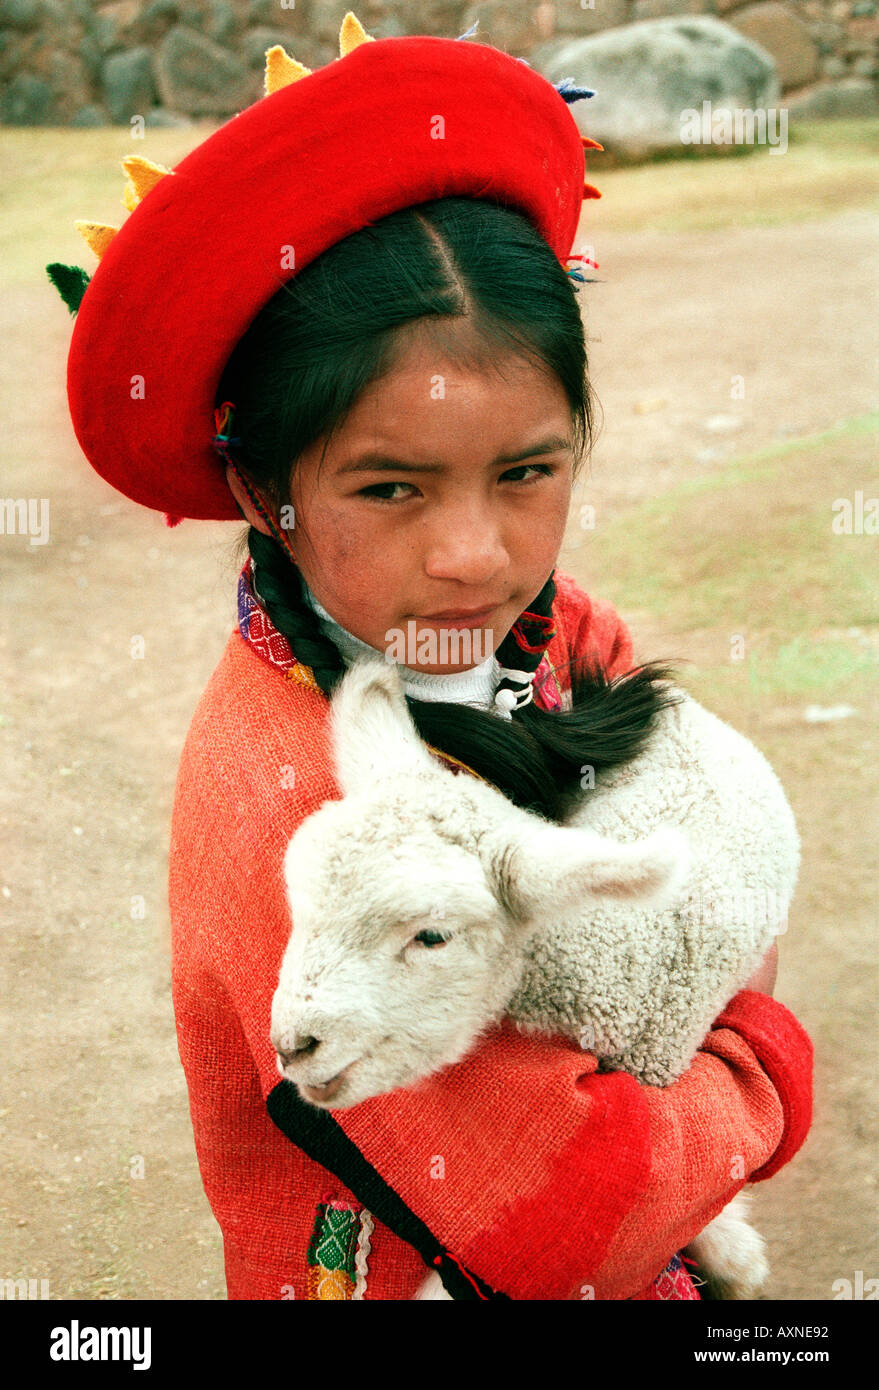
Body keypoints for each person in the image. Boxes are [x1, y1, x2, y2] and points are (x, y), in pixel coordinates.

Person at [48, 14, 812, 1300]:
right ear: (260, 483)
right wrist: (756, 1050)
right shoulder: (288, 807)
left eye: (526, 472)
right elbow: (561, 1222)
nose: (473, 555)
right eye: (392, 487)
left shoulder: (549, 624)